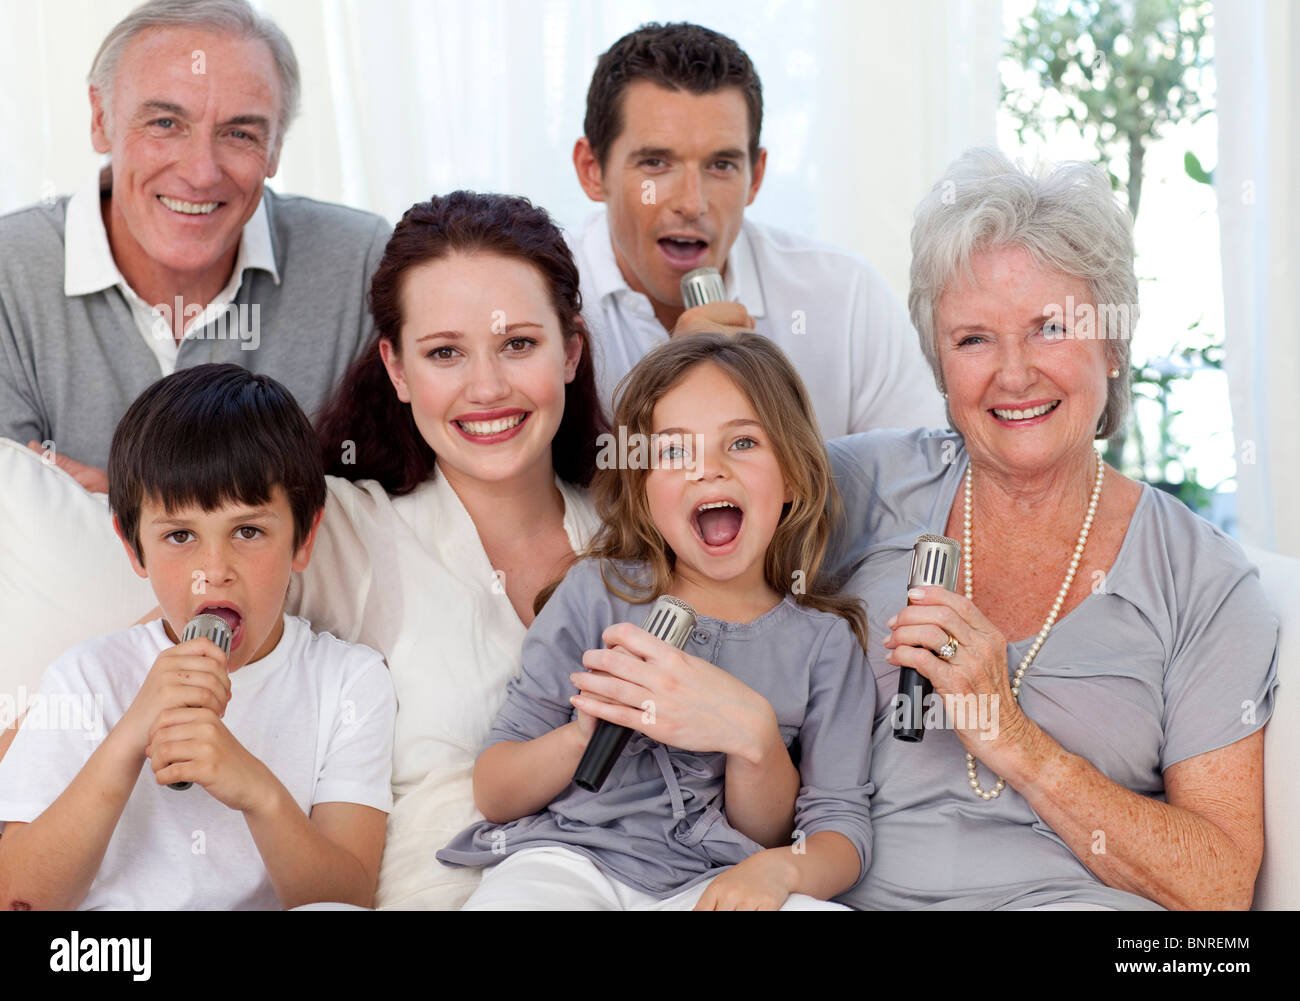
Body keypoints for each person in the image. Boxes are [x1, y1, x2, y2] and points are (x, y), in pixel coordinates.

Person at [827, 149, 1278, 910]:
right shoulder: (859, 488)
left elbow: (1221, 884)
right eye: (973, 338)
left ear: (1112, 345)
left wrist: (1010, 733)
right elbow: (684, 523)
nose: (1013, 373)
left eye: (1049, 328)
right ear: (940, 364)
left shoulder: (1201, 579)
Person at [438, 332, 874, 910]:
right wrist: (580, 736)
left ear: (793, 476)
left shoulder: (823, 645)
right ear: (643, 491)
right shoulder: (598, 593)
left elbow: (826, 832)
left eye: (742, 442)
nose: (709, 471)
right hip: (569, 860)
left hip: (711, 880)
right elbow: (495, 790)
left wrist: (756, 743)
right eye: (674, 453)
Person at [286, 191, 608, 909]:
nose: (486, 388)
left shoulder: (640, 534)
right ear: (397, 370)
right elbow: (186, 582)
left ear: (570, 350)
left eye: (518, 344)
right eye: (444, 354)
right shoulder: (346, 530)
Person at [0, 364, 396, 910]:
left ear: (303, 539)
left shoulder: (349, 682)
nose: (213, 570)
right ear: (133, 547)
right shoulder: (85, 677)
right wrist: (129, 736)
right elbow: (18, 896)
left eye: (248, 531)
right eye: (180, 536)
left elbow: (345, 899)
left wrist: (256, 791)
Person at [0, 0, 391, 489]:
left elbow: (395, 512)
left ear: (275, 150)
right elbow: (15, 534)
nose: (201, 173)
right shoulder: (7, 274)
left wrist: (119, 506)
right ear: (101, 119)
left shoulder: (361, 263)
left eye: (240, 133)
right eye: (165, 123)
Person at [569, 22, 946, 439]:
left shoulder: (845, 297)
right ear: (592, 170)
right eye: (656, 163)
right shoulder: (543, 305)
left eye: (721, 165)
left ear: (756, 176)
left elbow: (920, 484)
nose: (692, 203)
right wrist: (673, 379)